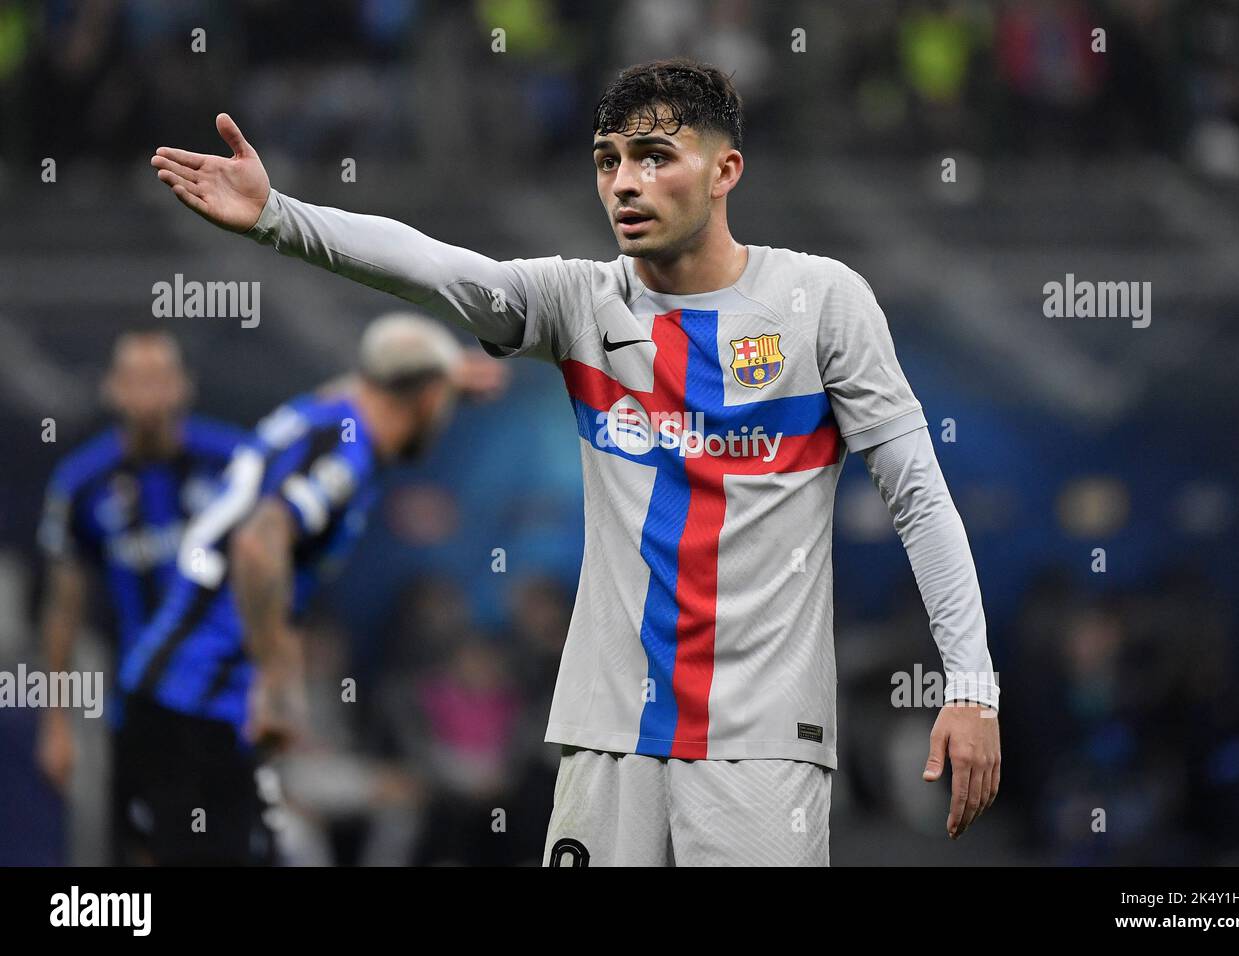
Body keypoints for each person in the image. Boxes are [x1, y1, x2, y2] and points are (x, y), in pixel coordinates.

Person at [149, 58, 1000, 867]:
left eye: (655, 157)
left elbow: (920, 498)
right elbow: (435, 268)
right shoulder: (581, 303)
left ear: (725, 170)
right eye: (608, 159)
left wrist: (970, 687)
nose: (624, 182)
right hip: (609, 734)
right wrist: (278, 215)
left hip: (762, 740)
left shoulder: (823, 304)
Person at [112, 313, 497, 864]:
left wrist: (445, 373)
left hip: (176, 694)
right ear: (428, 400)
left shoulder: (327, 414)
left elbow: (371, 378)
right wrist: (278, 675)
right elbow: (259, 541)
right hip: (194, 700)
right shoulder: (349, 456)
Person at [36, 329, 243, 863]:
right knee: (139, 852)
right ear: (113, 390)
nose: (148, 394)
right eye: (135, 380)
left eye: (160, 380)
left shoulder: (233, 464)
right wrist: (55, 722)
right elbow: (64, 609)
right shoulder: (82, 482)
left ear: (183, 388)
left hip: (225, 700)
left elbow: (278, 579)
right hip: (136, 708)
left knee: (232, 846)